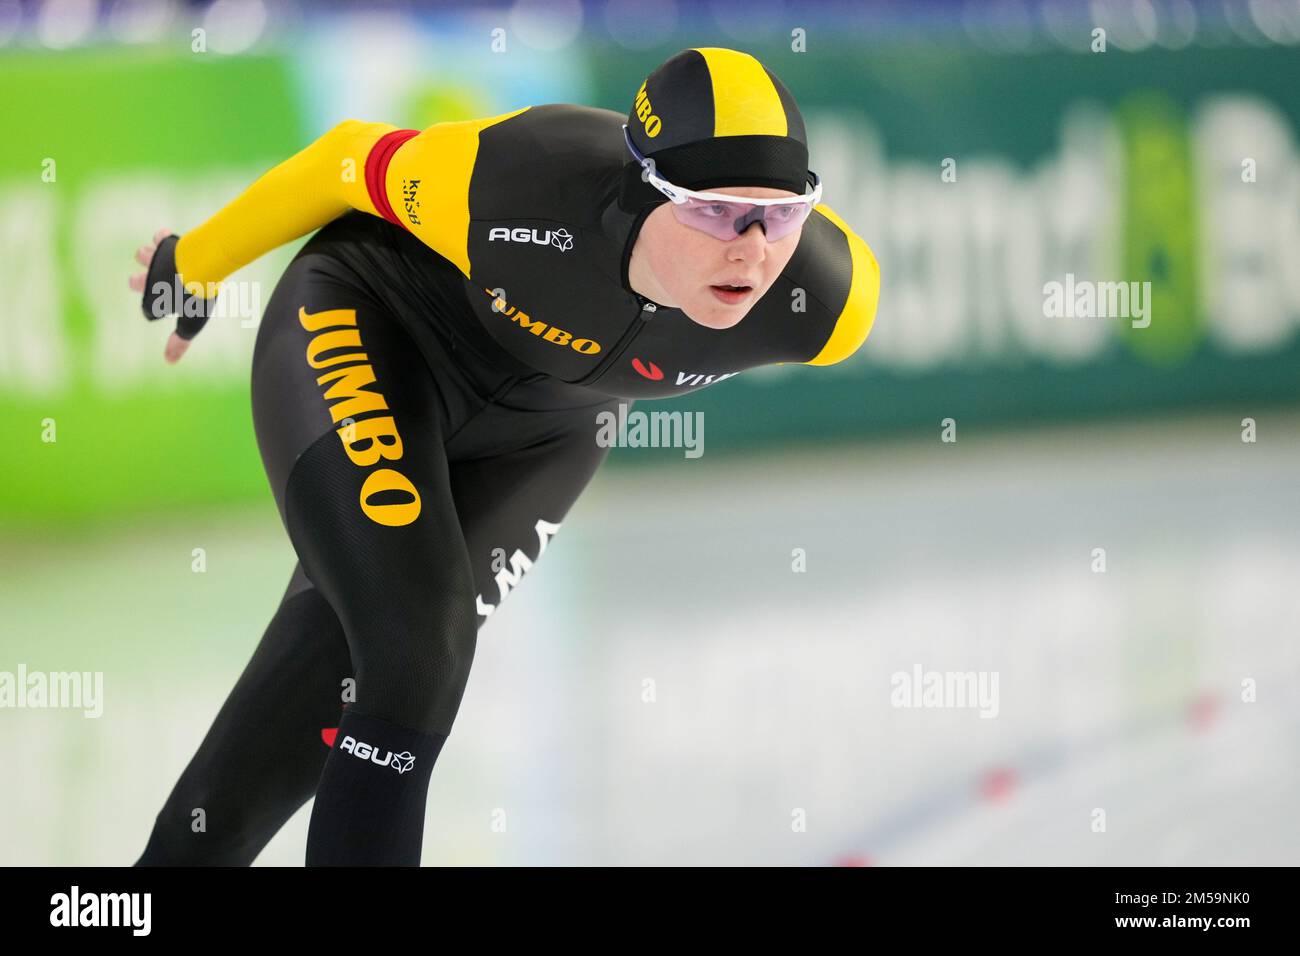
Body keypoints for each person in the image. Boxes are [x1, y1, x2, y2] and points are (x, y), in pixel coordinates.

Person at [131, 46, 880, 866]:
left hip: (552, 430)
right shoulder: (517, 182)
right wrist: (193, 265)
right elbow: (343, 157)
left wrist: (752, 225)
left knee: (328, 709)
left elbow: (778, 247)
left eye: (779, 215)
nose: (752, 250)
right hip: (377, 326)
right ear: (640, 188)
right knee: (419, 642)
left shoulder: (828, 301)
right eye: (713, 211)